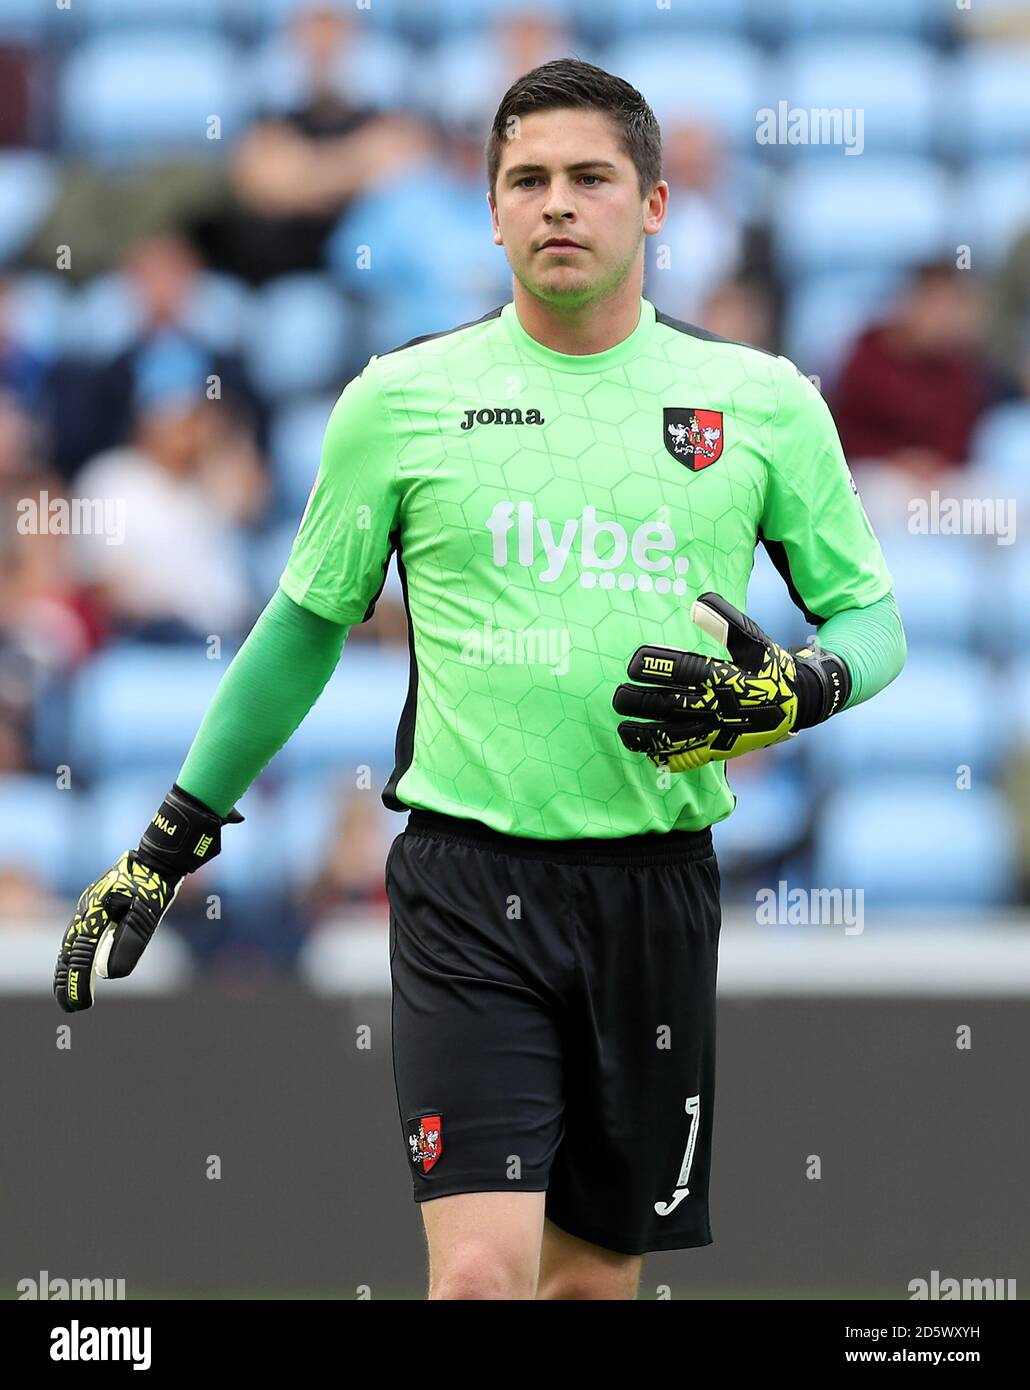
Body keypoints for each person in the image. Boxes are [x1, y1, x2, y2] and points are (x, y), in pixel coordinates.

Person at [52, 59, 907, 1300]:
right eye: (528, 180)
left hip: (654, 891)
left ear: (654, 206)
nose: (558, 203)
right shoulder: (401, 402)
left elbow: (872, 617)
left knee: (585, 1288)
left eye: (589, 178)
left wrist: (799, 690)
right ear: (492, 211)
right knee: (479, 1280)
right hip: (468, 884)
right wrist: (170, 837)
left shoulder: (760, 404)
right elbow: (299, 629)